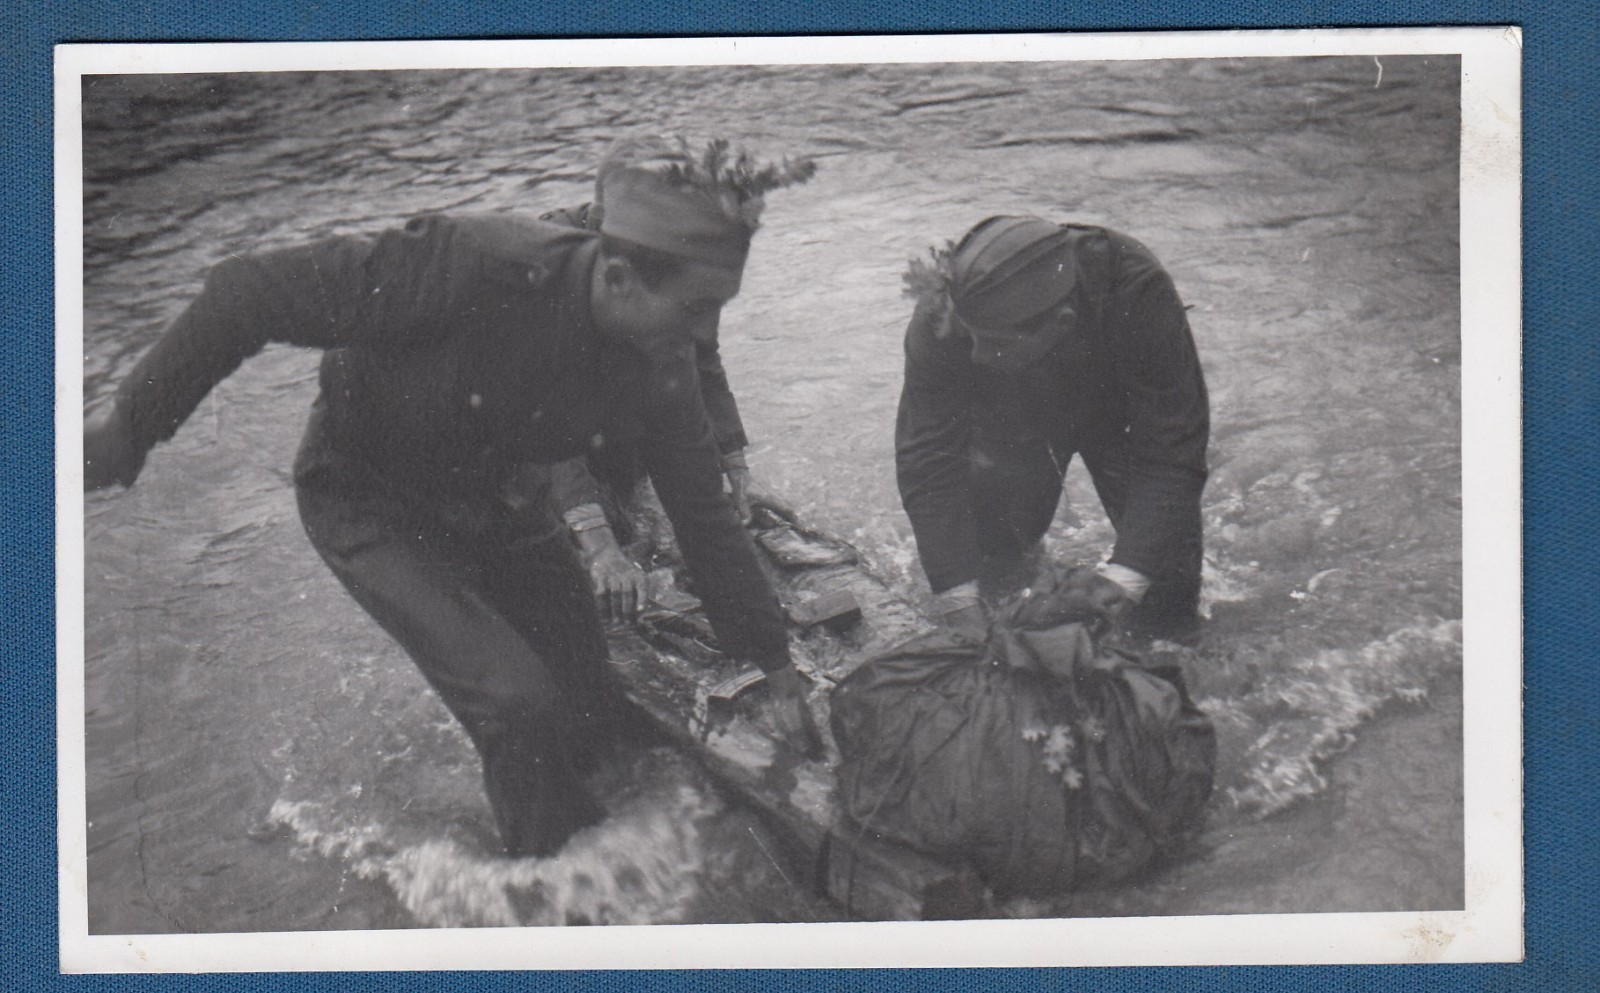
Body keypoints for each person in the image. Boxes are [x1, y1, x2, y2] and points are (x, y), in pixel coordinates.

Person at [83, 136, 821, 858]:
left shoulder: (663, 364)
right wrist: (131, 431)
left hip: (499, 496)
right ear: (621, 276)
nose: (704, 335)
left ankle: (625, 850)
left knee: (592, 708)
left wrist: (774, 665)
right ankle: (555, 894)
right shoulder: (471, 263)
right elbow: (246, 292)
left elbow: (703, 514)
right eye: (695, 309)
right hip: (370, 499)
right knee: (516, 706)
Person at [895, 215, 1210, 641]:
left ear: (1060, 323)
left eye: (995, 343)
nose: (979, 357)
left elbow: (1172, 450)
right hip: (1011, 408)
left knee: (1164, 583)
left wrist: (1126, 578)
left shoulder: (1138, 290)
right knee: (996, 559)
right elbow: (927, 455)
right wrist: (956, 602)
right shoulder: (943, 315)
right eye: (972, 338)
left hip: (1121, 409)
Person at [535, 140, 789, 611]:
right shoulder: (550, 265)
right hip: (536, 425)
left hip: (612, 410)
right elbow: (540, 418)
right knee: (575, 536)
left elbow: (701, 357)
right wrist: (600, 545)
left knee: (652, 511)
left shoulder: (674, 248)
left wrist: (735, 467)